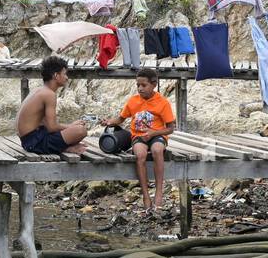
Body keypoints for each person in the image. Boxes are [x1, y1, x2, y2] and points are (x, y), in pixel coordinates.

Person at [106, 68, 175, 212]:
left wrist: (154, 133)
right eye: (138, 85)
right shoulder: (133, 101)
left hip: (157, 135)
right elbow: (121, 119)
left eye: (144, 85)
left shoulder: (162, 102)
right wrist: (109, 122)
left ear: (154, 84)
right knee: (140, 155)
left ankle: (158, 193)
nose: (140, 88)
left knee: (157, 150)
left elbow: (170, 128)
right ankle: (145, 195)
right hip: (138, 137)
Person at [17, 55, 90, 155]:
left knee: (75, 129)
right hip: (34, 143)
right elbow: (52, 127)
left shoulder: (39, 90)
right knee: (81, 130)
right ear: (56, 76)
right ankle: (64, 148)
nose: (67, 78)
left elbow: (46, 124)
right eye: (64, 74)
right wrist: (70, 126)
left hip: (29, 140)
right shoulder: (49, 94)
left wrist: (69, 128)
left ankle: (64, 147)